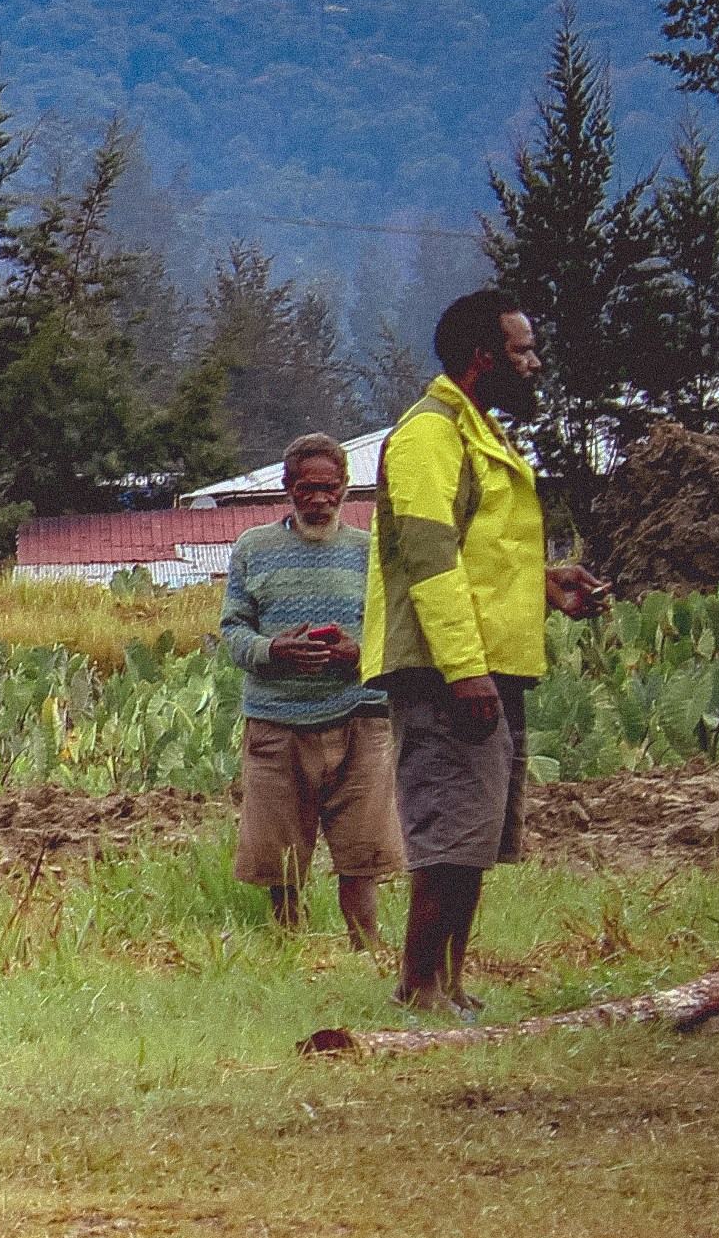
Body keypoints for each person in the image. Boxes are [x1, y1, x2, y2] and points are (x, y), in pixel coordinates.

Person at [362, 289, 611, 1010]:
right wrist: (465, 672)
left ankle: (451, 986)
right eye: (522, 350)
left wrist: (543, 584)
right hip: (446, 671)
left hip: (491, 666)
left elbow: (478, 558)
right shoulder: (428, 437)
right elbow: (431, 563)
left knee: (474, 835)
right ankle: (417, 988)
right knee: (447, 830)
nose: (534, 364)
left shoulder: (479, 433)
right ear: (482, 358)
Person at [217, 433, 402, 947]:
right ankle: (288, 947)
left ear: (347, 488)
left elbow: (395, 631)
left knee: (362, 851)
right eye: (306, 489)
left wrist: (358, 653)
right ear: (287, 489)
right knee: (278, 855)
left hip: (360, 715)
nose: (319, 500)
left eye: (329, 488)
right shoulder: (254, 548)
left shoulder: (370, 552)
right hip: (277, 719)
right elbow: (233, 630)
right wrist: (274, 651)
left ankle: (368, 948)